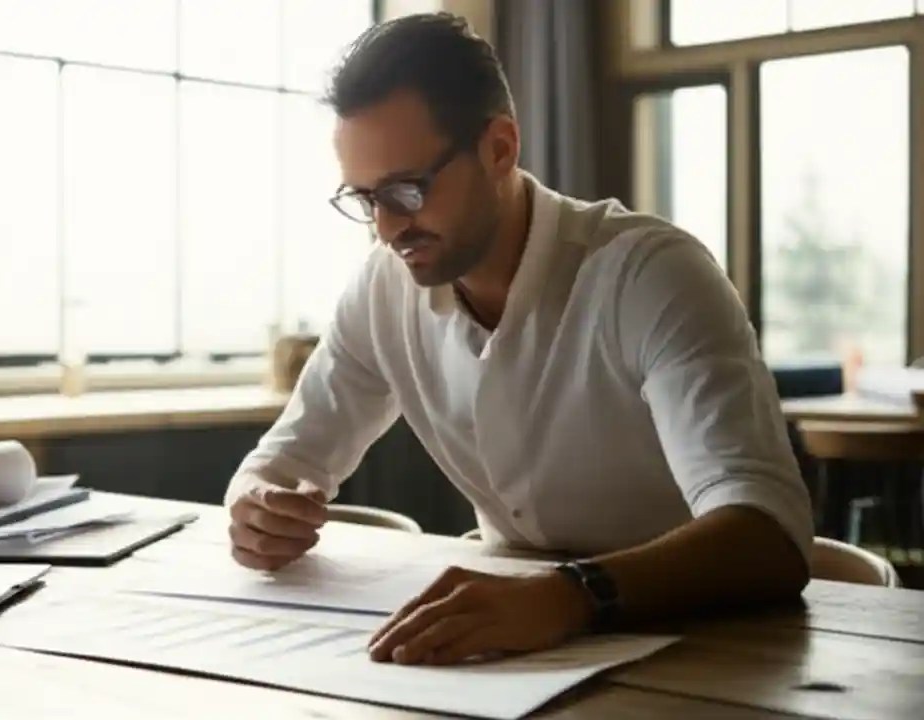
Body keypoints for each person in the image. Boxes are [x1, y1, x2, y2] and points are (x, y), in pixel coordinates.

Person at [223, 13, 813, 666]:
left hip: (707, 646)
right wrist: (257, 508)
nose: (388, 230)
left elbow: (770, 535)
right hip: (506, 654)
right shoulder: (382, 288)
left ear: (500, 148)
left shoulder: (651, 275)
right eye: (367, 200)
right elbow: (280, 464)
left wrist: (568, 597)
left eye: (407, 190)